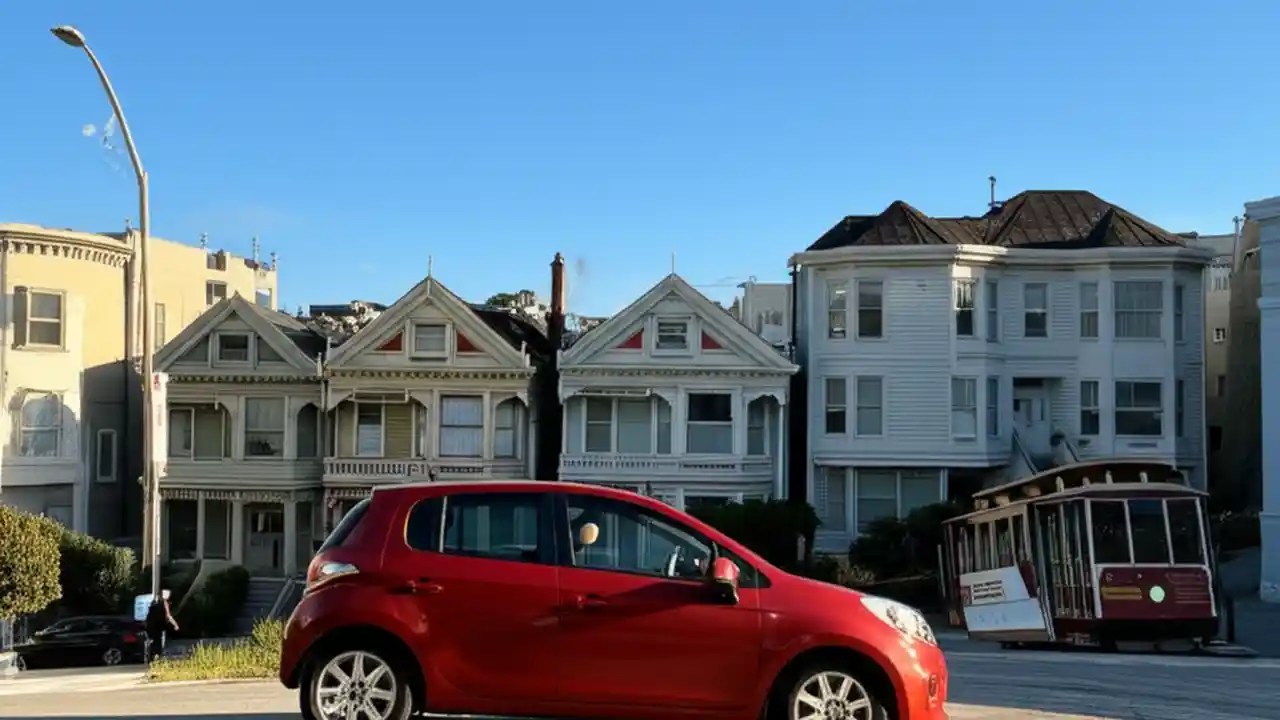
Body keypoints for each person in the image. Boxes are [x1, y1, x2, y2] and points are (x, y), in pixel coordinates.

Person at [145, 590, 179, 662]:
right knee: (158, 642)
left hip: (151, 626)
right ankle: (156, 657)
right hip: (157, 626)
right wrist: (175, 625)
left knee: (155, 641)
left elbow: (149, 615)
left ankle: (152, 656)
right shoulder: (164, 604)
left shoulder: (154, 604)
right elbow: (168, 616)